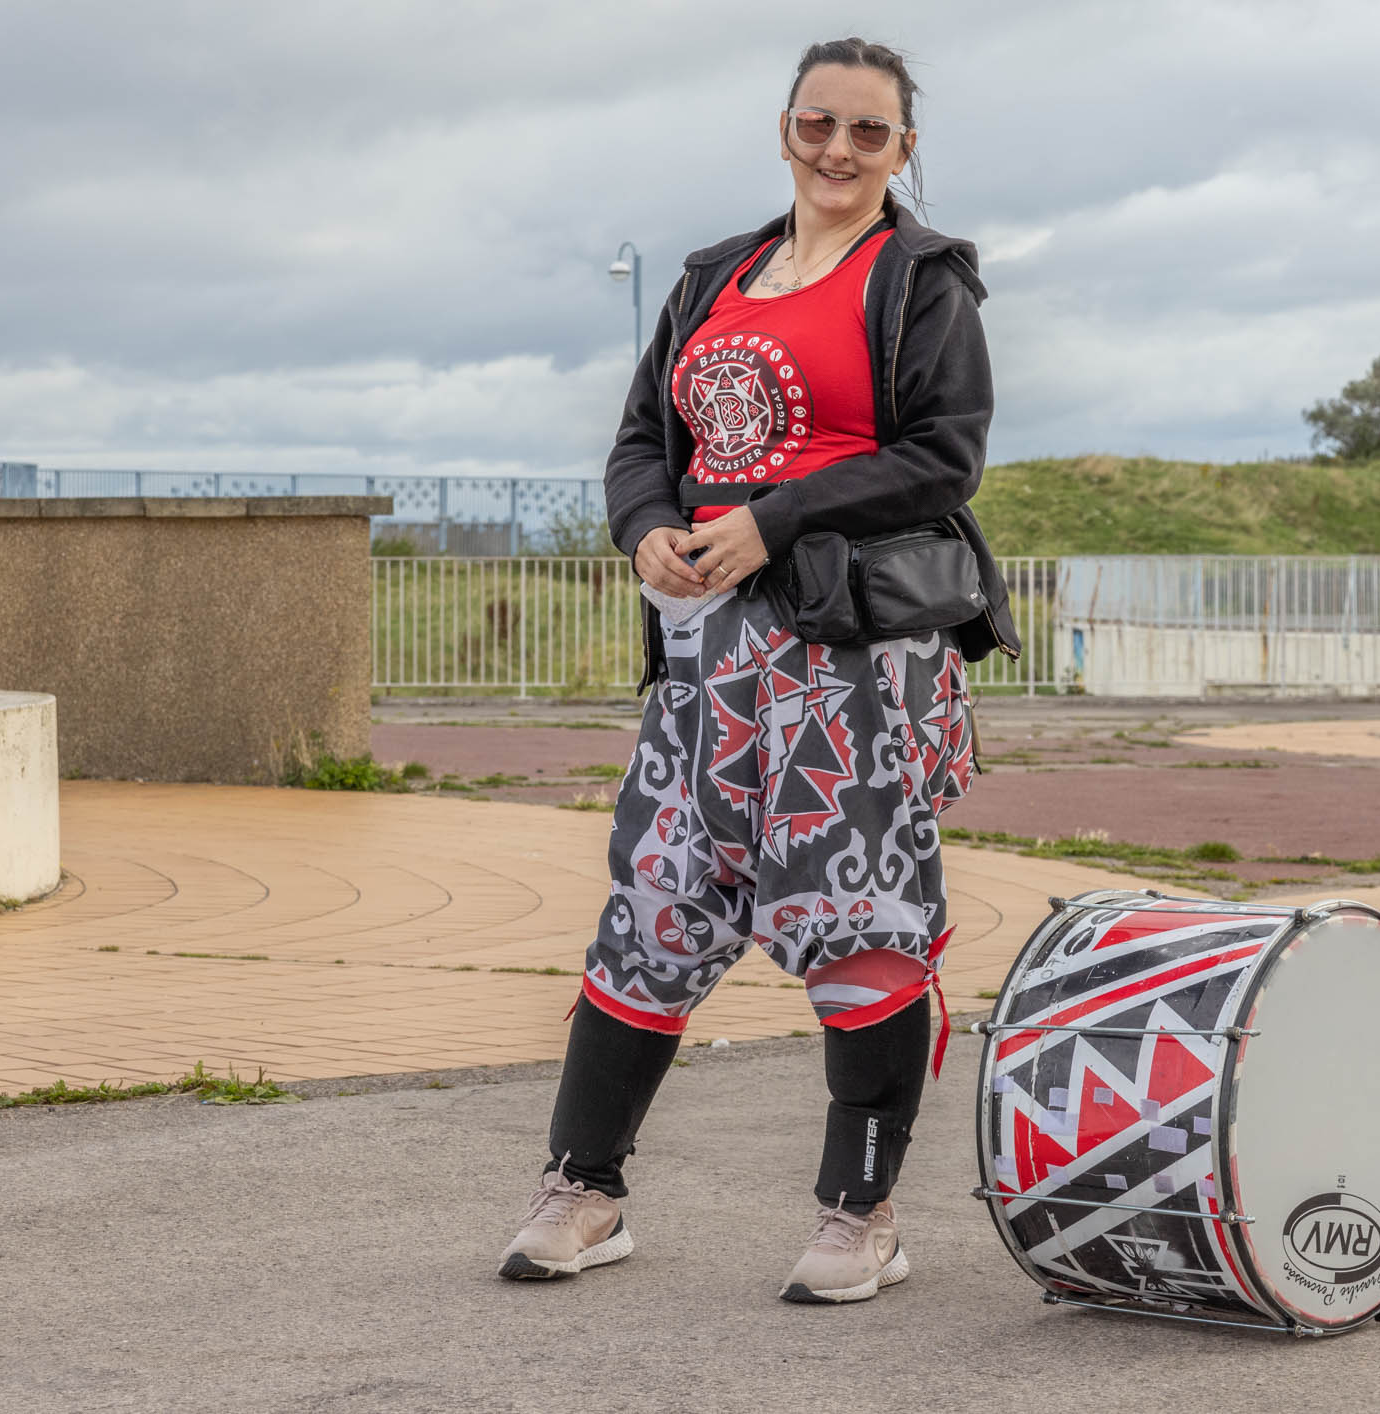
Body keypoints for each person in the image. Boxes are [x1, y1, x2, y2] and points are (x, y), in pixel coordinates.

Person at [499, 36, 993, 1304]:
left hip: (851, 661)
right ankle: (582, 1189)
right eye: (816, 124)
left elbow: (945, 457)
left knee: (857, 920)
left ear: (903, 150)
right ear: (784, 127)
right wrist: (643, 528)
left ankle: (858, 1214)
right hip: (705, 666)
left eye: (867, 133)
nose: (837, 151)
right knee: (654, 902)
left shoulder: (921, 278)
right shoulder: (713, 274)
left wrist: (773, 520)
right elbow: (637, 441)